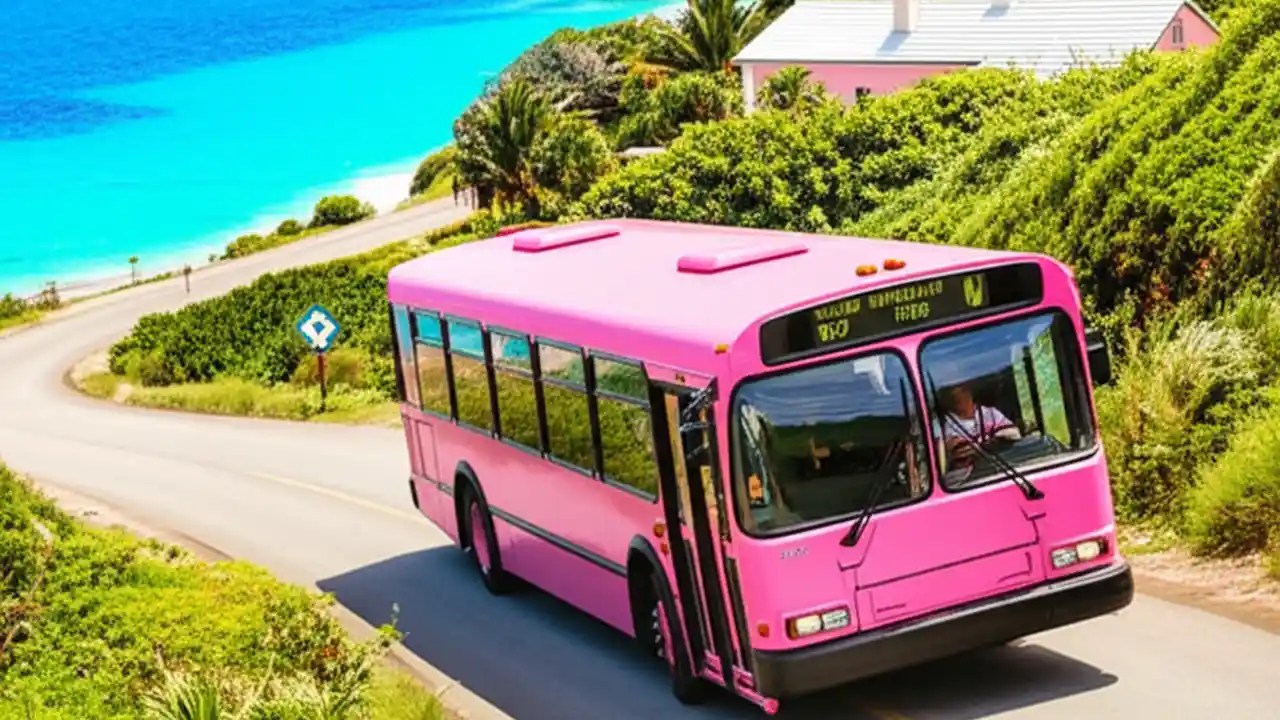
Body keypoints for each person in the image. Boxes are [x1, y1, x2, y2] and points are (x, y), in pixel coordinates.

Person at [935, 383, 1021, 481]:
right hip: (962, 481)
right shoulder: (940, 427)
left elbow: (1015, 434)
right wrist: (948, 451)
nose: (958, 396)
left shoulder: (990, 413)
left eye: (963, 390)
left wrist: (988, 444)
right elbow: (938, 462)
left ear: (970, 391)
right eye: (952, 395)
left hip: (1001, 471)